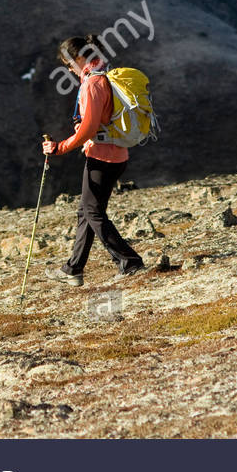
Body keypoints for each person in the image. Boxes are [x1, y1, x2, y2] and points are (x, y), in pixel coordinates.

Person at [43, 33, 144, 285]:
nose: (68, 68)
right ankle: (73, 269)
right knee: (86, 211)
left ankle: (129, 262)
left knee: (92, 211)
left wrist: (59, 148)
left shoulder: (93, 84)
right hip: (115, 154)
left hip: (102, 157)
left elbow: (87, 129)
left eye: (68, 63)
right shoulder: (104, 75)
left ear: (79, 58)